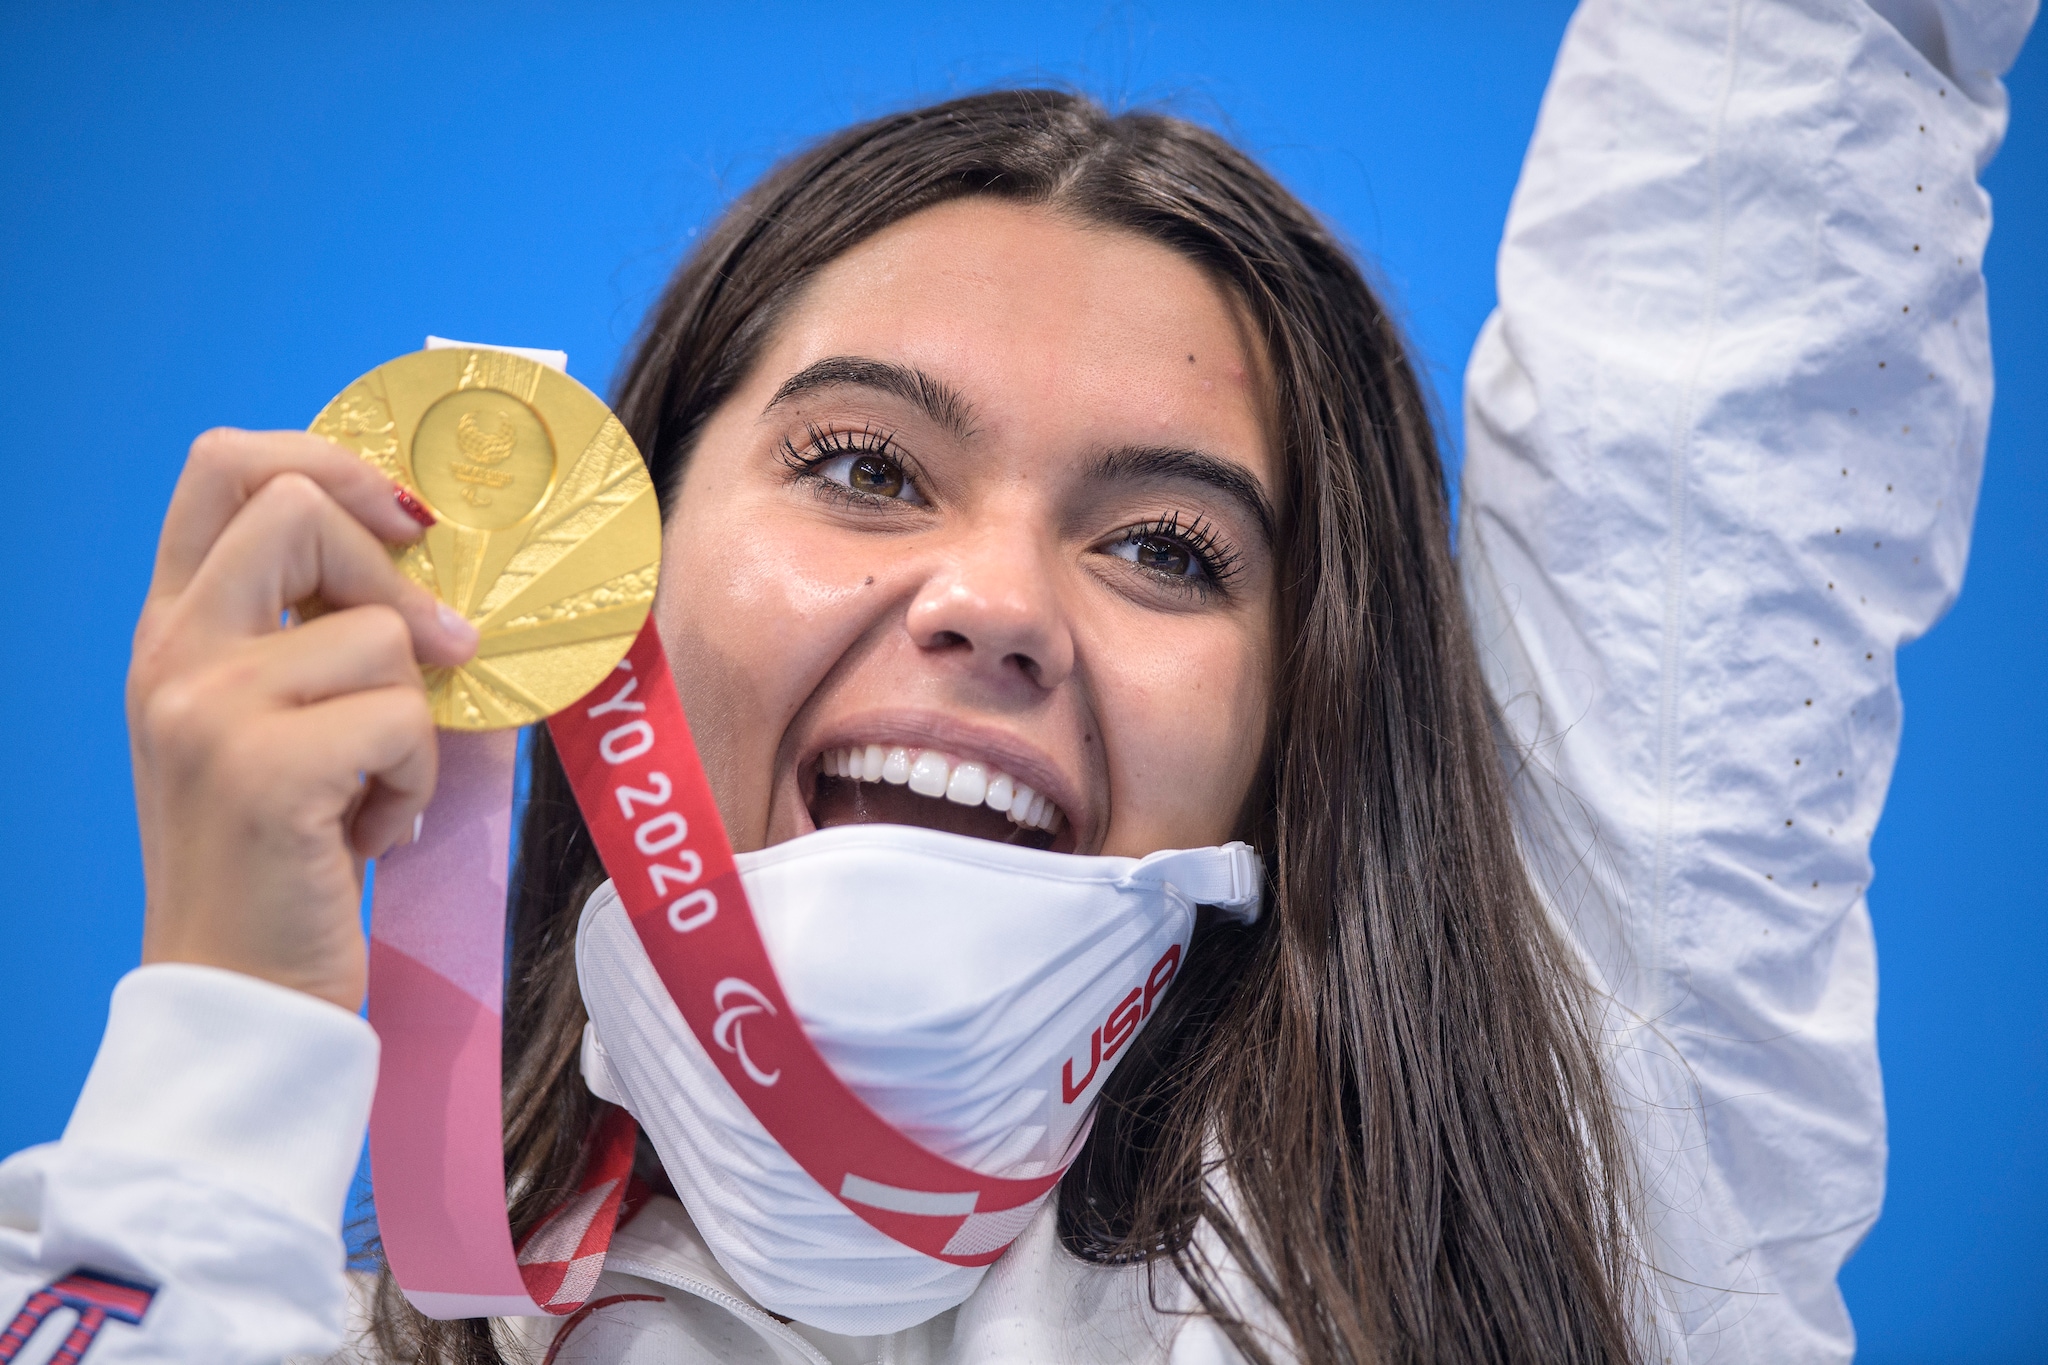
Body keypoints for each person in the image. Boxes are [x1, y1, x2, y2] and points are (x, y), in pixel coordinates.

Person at [0, 1, 2031, 1361]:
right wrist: (223, 1030)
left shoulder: (1577, 1183)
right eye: (865, 466)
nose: (996, 602)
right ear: (596, 585)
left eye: (1166, 546)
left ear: (1280, 729)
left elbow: (1785, 135)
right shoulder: (236, 1297)